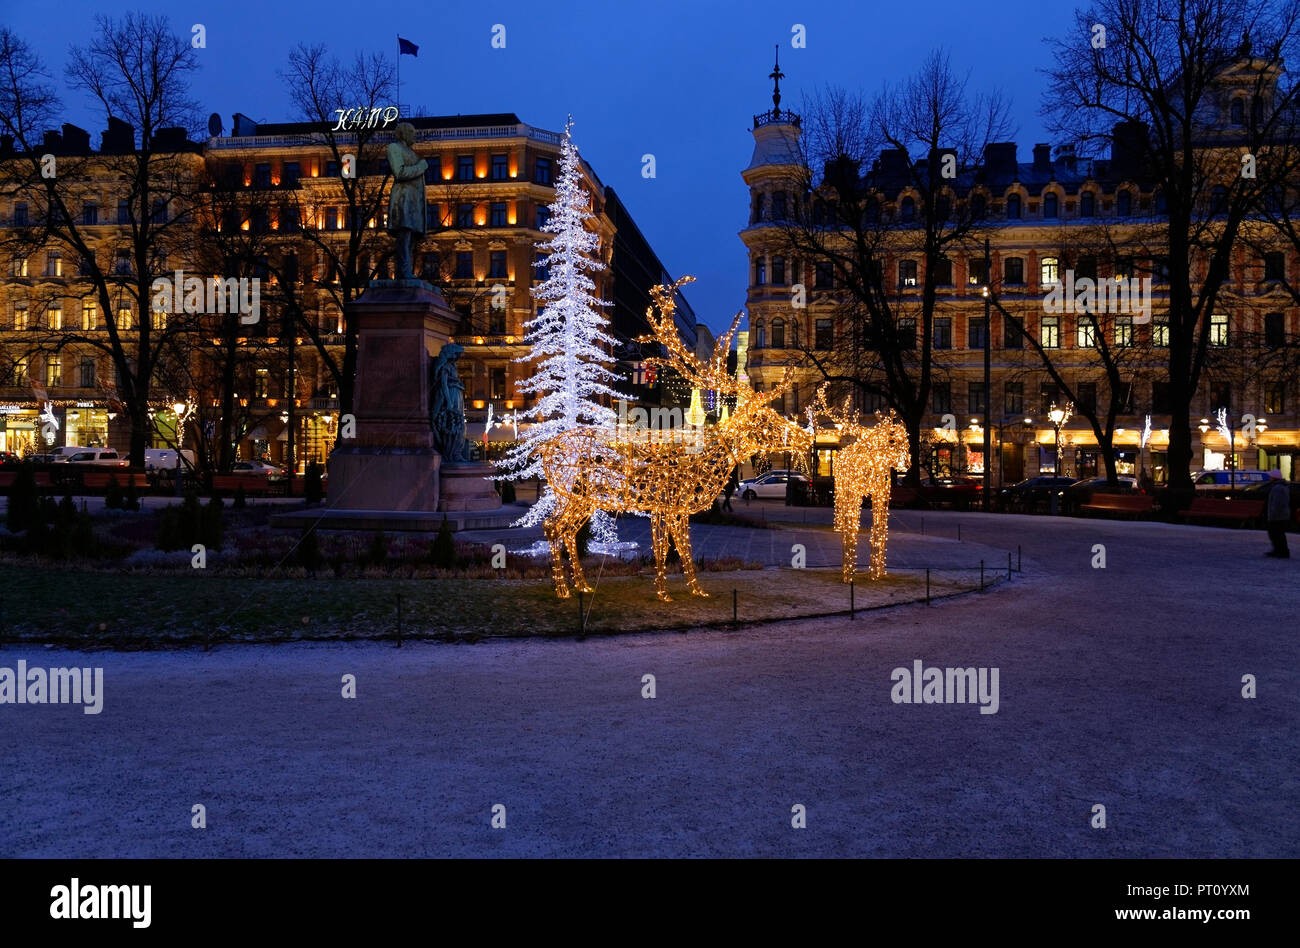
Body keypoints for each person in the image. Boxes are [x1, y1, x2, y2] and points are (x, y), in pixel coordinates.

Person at [1265, 469, 1291, 558]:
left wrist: (1272, 514)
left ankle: (1281, 551)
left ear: (1274, 477)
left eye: (1271, 476)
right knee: (1278, 534)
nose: (1269, 477)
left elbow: (1277, 503)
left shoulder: (1278, 488)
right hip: (1281, 515)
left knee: (1276, 534)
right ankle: (1280, 550)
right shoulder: (1281, 487)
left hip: (1278, 516)